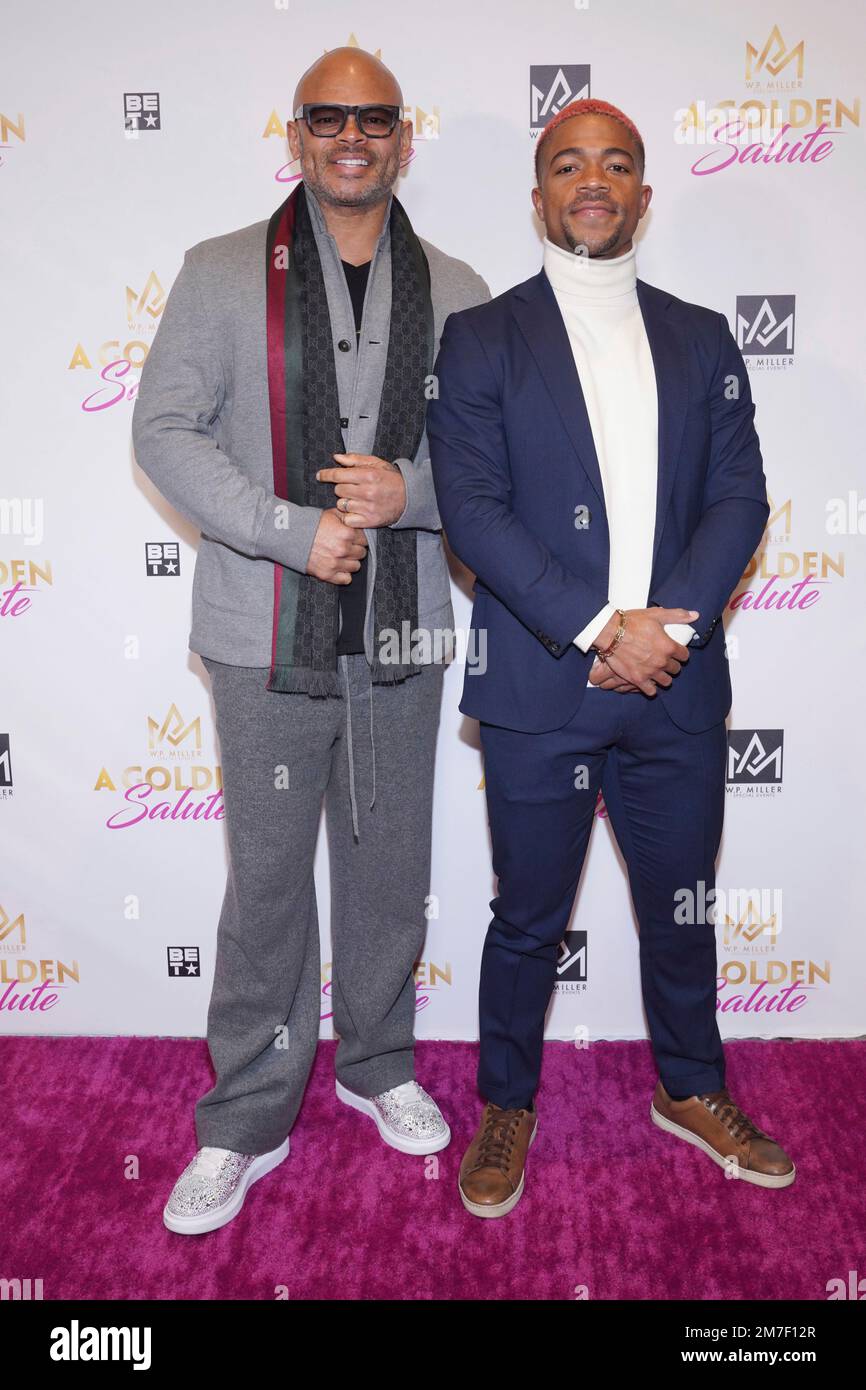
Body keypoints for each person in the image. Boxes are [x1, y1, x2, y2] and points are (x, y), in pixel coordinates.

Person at [131, 46, 490, 1235]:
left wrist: (413, 493)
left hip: (399, 632)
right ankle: (243, 1117)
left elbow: (494, 462)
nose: (352, 135)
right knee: (271, 880)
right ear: (296, 135)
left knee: (390, 867)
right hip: (262, 630)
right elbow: (168, 431)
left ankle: (377, 1061)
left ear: (402, 135)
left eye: (373, 118)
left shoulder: (460, 285)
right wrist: (288, 530)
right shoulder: (218, 270)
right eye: (328, 117)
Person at [427, 98, 794, 1219]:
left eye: (617, 164)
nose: (594, 180)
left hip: (673, 688)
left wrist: (666, 629)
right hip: (545, 687)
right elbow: (474, 515)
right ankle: (506, 1104)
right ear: (537, 196)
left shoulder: (700, 337)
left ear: (642, 194)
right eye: (568, 164)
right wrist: (597, 629)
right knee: (527, 914)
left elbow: (739, 495)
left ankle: (688, 1087)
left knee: (680, 904)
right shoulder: (481, 338)